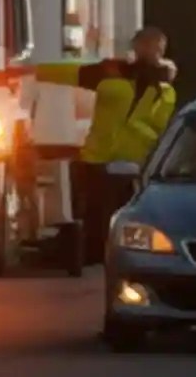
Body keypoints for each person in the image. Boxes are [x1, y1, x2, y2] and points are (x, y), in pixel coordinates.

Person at [36, 26, 178, 265]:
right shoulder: (118, 76)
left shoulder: (147, 84)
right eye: (147, 46)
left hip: (120, 159)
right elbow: (71, 73)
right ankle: (98, 252)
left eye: (153, 47)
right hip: (109, 158)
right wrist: (33, 71)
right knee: (99, 211)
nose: (148, 51)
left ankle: (102, 252)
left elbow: (160, 127)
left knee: (106, 211)